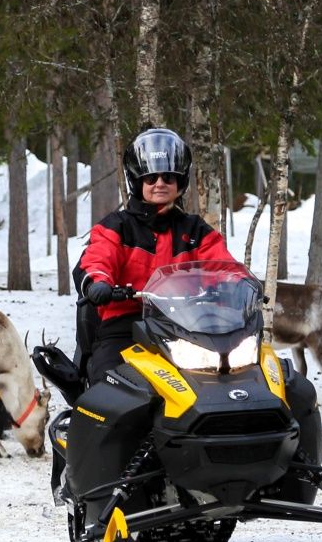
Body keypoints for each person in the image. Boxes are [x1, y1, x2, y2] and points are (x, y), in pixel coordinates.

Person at [76, 127, 237, 384]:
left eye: (168, 178)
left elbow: (223, 267)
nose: (160, 183)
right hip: (125, 326)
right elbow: (98, 259)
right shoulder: (117, 227)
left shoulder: (196, 230)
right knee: (111, 387)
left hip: (187, 328)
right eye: (151, 178)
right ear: (138, 182)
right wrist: (98, 283)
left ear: (179, 182)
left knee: (233, 378)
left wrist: (236, 288)